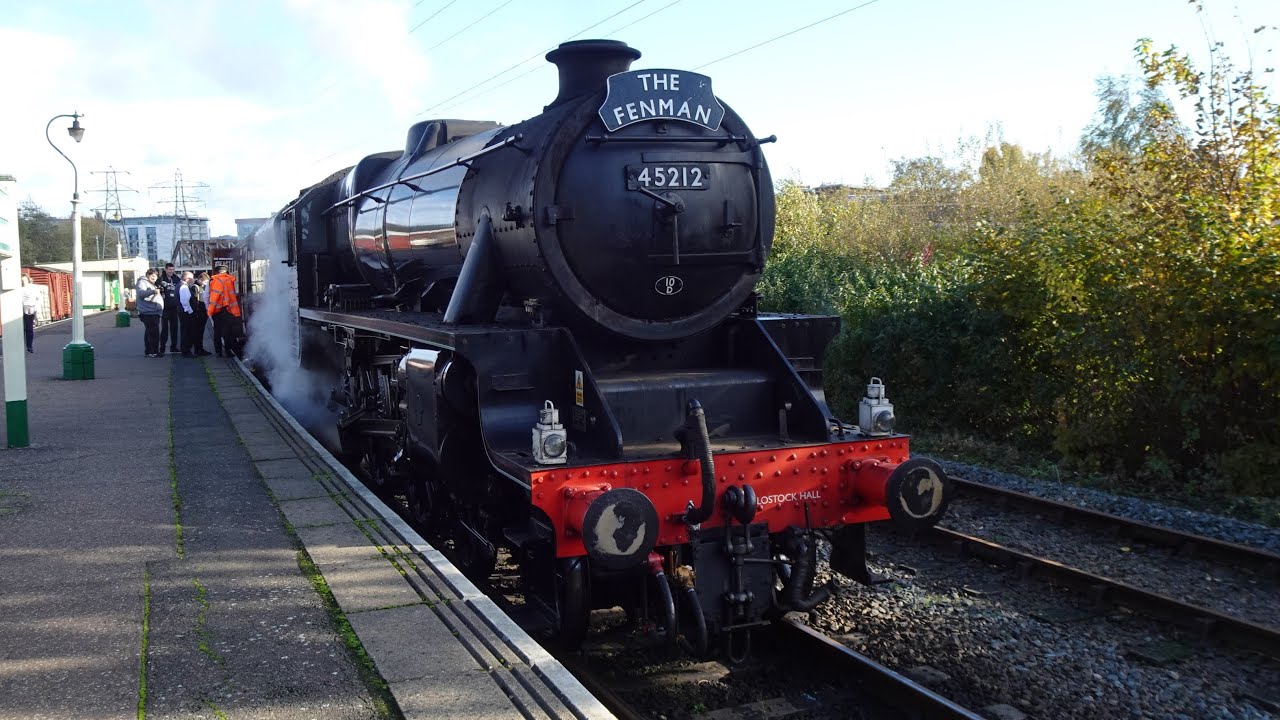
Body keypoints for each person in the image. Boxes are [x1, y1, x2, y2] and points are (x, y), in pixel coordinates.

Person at [207, 264, 241, 358]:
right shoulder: (230, 280)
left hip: (217, 311)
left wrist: (209, 311)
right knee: (228, 332)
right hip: (229, 310)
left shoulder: (214, 281)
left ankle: (219, 352)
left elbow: (212, 297)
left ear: (217, 272)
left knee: (217, 332)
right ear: (226, 272)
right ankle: (228, 351)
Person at [135, 268, 164, 357]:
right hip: (148, 312)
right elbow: (141, 293)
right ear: (148, 275)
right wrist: (153, 291)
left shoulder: (150, 283)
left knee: (150, 332)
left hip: (153, 311)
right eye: (153, 276)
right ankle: (153, 352)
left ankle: (149, 351)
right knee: (153, 333)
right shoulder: (142, 282)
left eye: (156, 276)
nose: (154, 278)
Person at [156, 262, 182, 355]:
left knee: (174, 328)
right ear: (166, 269)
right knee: (164, 329)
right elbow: (157, 290)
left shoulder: (176, 279)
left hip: (174, 307)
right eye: (169, 269)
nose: (171, 271)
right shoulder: (161, 279)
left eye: (172, 269)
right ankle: (162, 347)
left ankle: (173, 347)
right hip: (165, 307)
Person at [178, 271, 200, 357]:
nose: (193, 280)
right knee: (187, 332)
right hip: (186, 313)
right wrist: (190, 311)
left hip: (183, 312)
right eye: (192, 278)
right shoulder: (184, 287)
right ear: (187, 279)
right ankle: (186, 351)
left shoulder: (181, 285)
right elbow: (185, 301)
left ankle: (186, 350)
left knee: (185, 332)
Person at [20, 274, 38, 353]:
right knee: (21, 329)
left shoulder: (32, 288)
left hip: (30, 309)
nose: (24, 282)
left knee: (29, 329)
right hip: (20, 309)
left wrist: (35, 309)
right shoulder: (19, 289)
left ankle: (29, 346)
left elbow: (37, 298)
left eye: (25, 280)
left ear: (28, 280)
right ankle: (21, 346)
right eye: (22, 281)